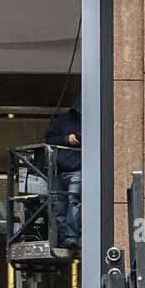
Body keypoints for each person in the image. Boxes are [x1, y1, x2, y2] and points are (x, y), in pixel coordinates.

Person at [44, 103, 82, 249]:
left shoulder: (90, 121)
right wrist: (66, 139)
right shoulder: (63, 120)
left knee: (74, 202)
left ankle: (70, 237)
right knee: (59, 206)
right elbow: (49, 139)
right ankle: (63, 238)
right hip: (59, 169)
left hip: (77, 169)